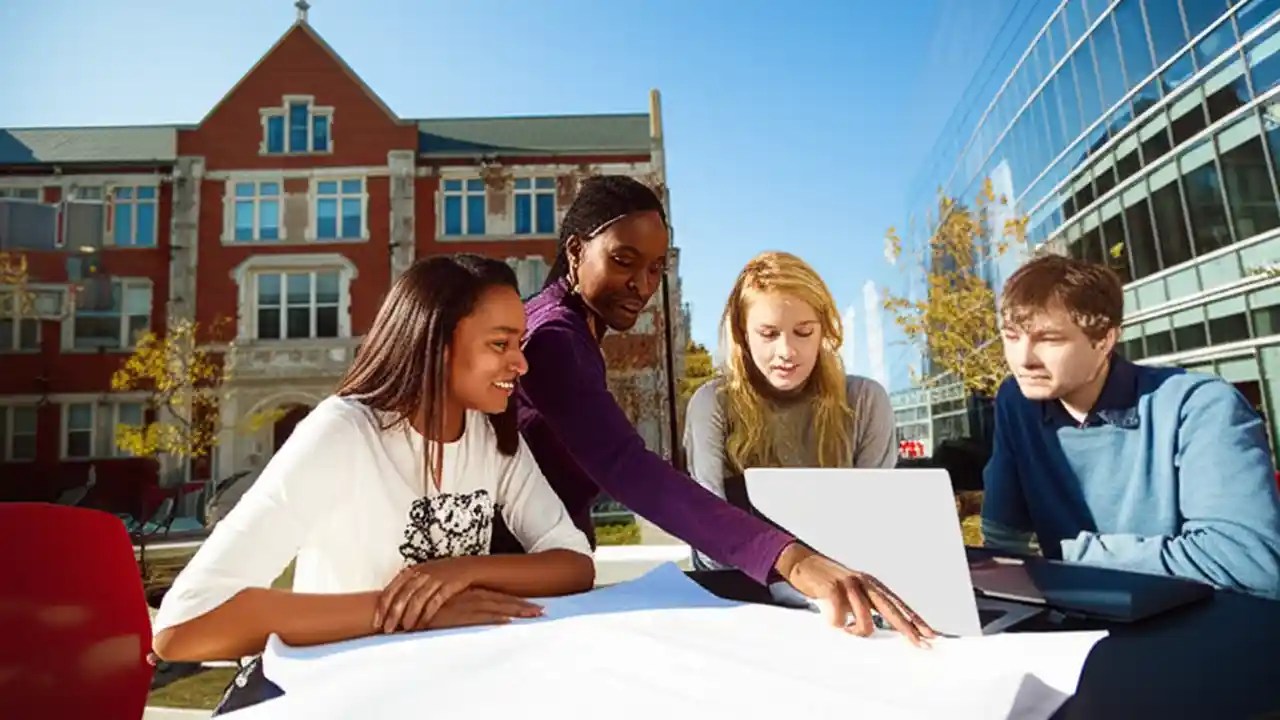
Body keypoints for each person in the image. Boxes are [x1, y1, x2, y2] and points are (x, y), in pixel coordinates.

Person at [498, 175, 936, 644]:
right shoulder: (553, 340)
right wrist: (793, 559)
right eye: (624, 261)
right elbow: (627, 467)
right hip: (512, 576)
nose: (641, 285)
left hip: (550, 575)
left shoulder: (574, 332)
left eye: (655, 269)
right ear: (575, 252)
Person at [152, 255, 595, 663]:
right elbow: (184, 626)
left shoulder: (492, 436)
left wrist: (460, 572)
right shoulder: (343, 433)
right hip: (350, 689)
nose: (521, 364)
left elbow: (574, 563)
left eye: (519, 343)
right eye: (500, 345)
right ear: (435, 344)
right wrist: (404, 613)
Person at [982, 254, 1280, 599]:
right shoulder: (1015, 401)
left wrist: (1075, 557)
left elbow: (1248, 563)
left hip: (1191, 625)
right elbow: (1003, 541)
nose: (1023, 359)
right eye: (1011, 336)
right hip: (1071, 621)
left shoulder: (1199, 406)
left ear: (1105, 341)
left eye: (1049, 339)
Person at [683, 250, 896, 571]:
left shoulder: (865, 401)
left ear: (824, 330)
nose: (786, 351)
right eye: (768, 334)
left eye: (804, 332)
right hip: (739, 597)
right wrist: (796, 569)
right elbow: (709, 544)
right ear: (742, 334)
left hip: (845, 592)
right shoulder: (713, 404)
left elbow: (877, 530)